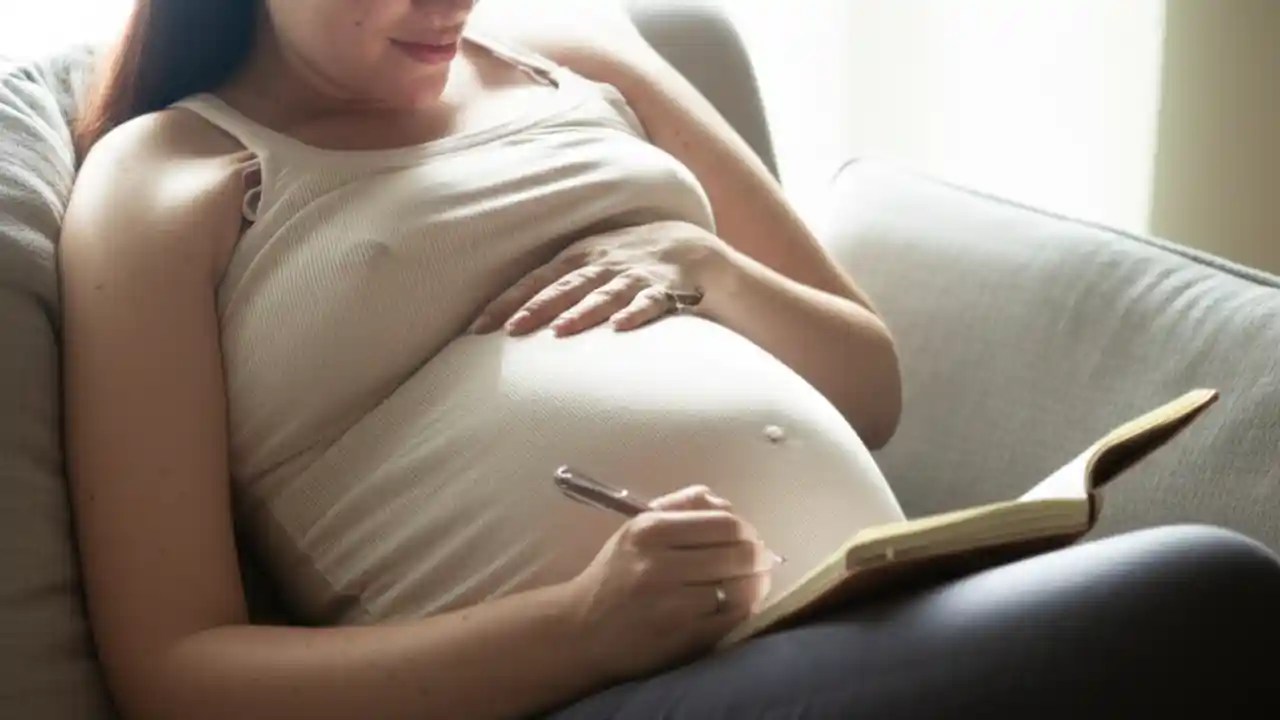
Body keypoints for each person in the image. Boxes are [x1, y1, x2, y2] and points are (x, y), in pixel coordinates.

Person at [57, 1, 1280, 719]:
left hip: (857, 621)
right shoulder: (171, 183)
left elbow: (869, 383)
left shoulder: (591, 64)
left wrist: (706, 271)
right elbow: (177, 674)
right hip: (599, 695)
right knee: (1208, 593)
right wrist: (581, 627)